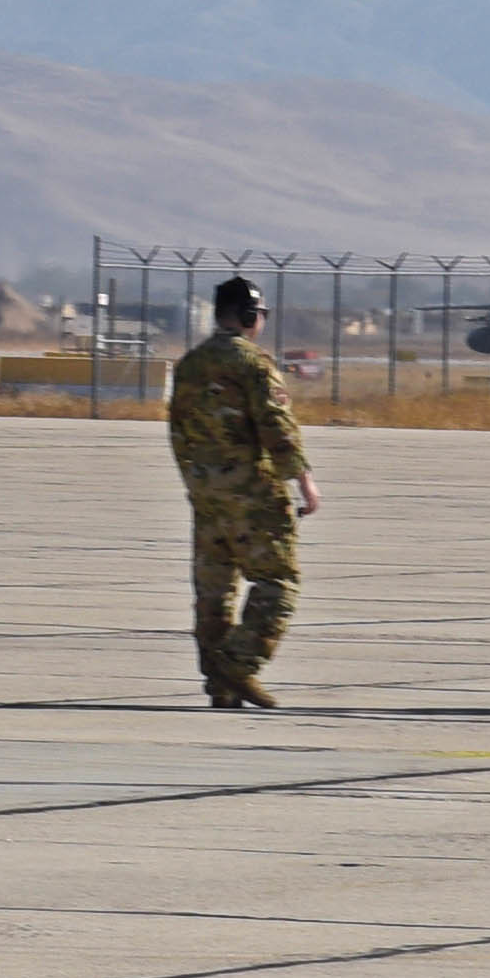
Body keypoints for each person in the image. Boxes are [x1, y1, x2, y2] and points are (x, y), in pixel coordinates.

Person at [162, 272, 314, 710]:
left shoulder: (190, 365)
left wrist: (198, 482)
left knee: (215, 592)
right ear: (251, 316)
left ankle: (219, 684)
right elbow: (276, 425)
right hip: (253, 494)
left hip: (207, 494)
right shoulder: (252, 363)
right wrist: (303, 480)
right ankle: (238, 663)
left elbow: (178, 431)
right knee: (279, 582)